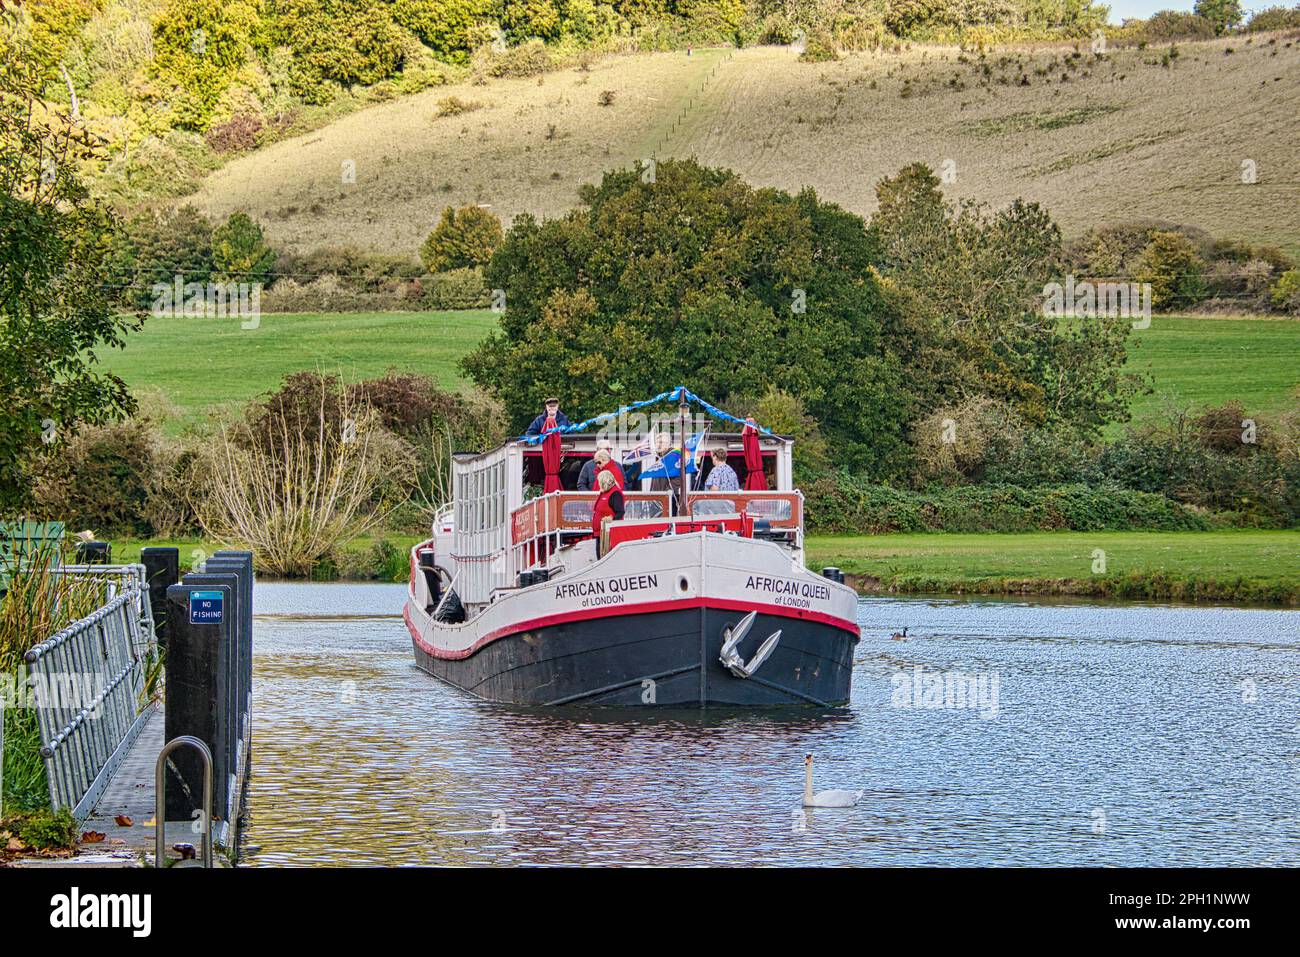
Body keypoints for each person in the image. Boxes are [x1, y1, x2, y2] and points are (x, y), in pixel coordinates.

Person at [591, 468, 625, 553]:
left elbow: (620, 512)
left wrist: (611, 521)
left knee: (603, 555)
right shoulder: (604, 492)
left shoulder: (615, 493)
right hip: (600, 532)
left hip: (608, 534)